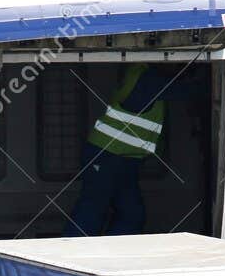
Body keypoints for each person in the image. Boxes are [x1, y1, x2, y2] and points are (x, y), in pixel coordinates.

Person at [66, 63, 177, 237]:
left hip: (121, 158)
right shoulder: (148, 79)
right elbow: (188, 89)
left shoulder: (139, 72)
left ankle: (111, 253)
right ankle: (72, 252)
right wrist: (195, 70)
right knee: (94, 210)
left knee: (130, 213)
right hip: (107, 155)